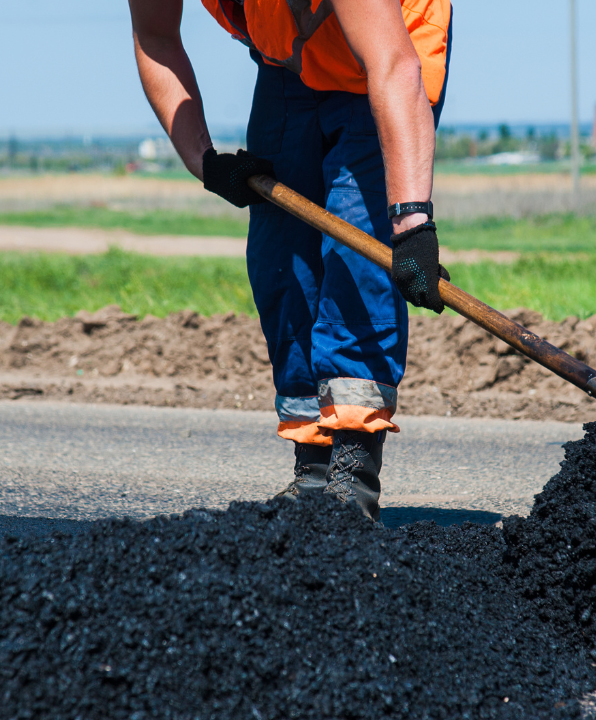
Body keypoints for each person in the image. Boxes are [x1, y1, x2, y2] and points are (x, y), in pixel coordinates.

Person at [128, 0, 452, 521]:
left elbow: (393, 64)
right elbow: (156, 39)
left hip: (387, 50)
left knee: (357, 257)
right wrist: (206, 163)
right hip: (289, 65)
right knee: (282, 263)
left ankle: (353, 476)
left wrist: (412, 227)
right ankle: (313, 472)